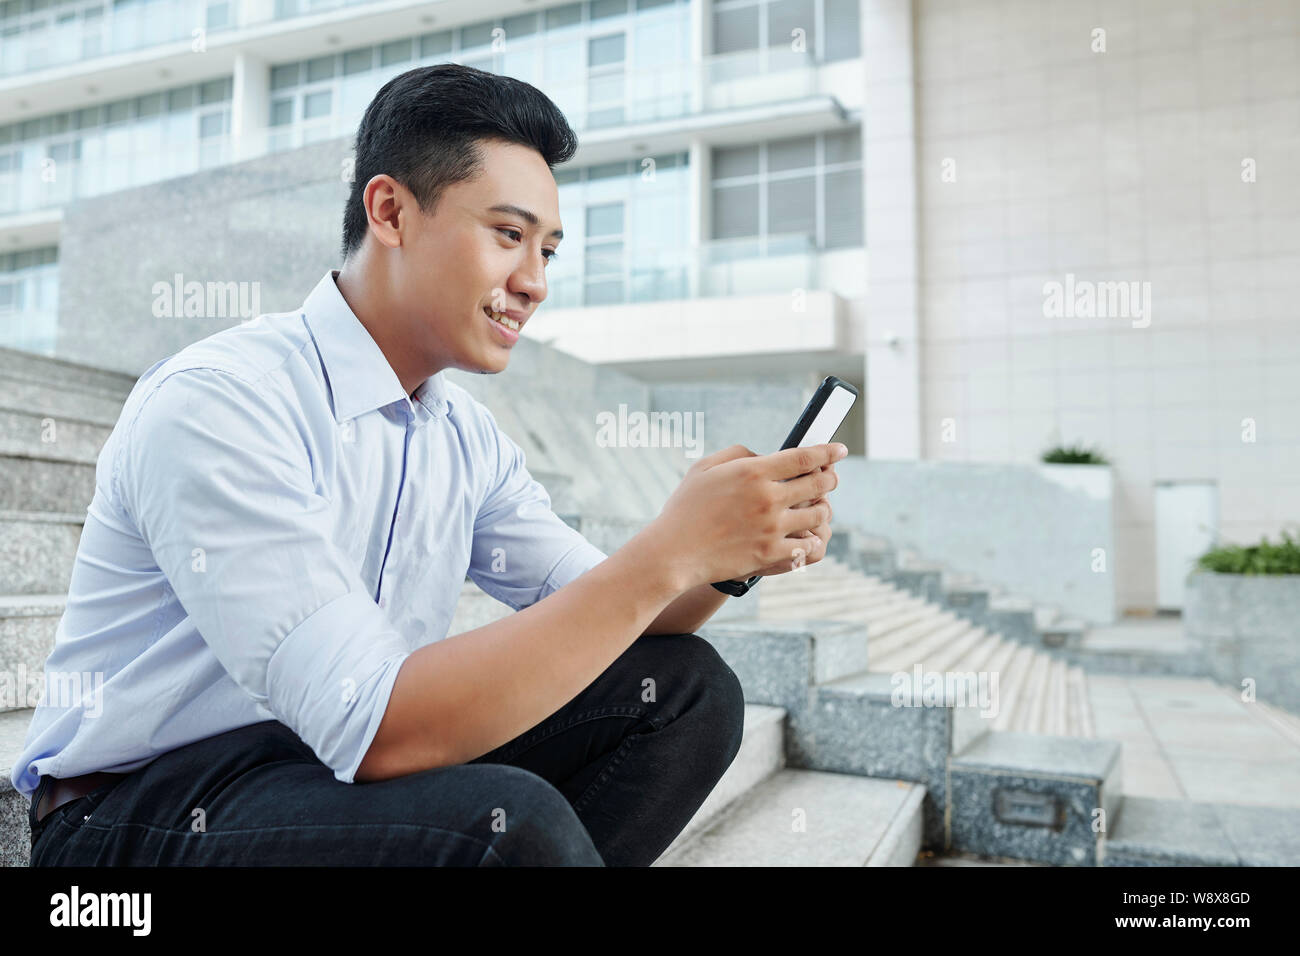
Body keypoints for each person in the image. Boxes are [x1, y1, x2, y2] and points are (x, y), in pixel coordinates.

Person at [18, 63, 843, 867]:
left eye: (549, 251)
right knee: (503, 828)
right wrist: (666, 553)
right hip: (134, 812)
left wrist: (725, 547)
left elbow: (619, 615)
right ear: (391, 212)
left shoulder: (461, 434)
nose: (534, 282)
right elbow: (378, 726)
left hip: (315, 773)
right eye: (508, 235)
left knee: (683, 694)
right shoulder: (222, 402)